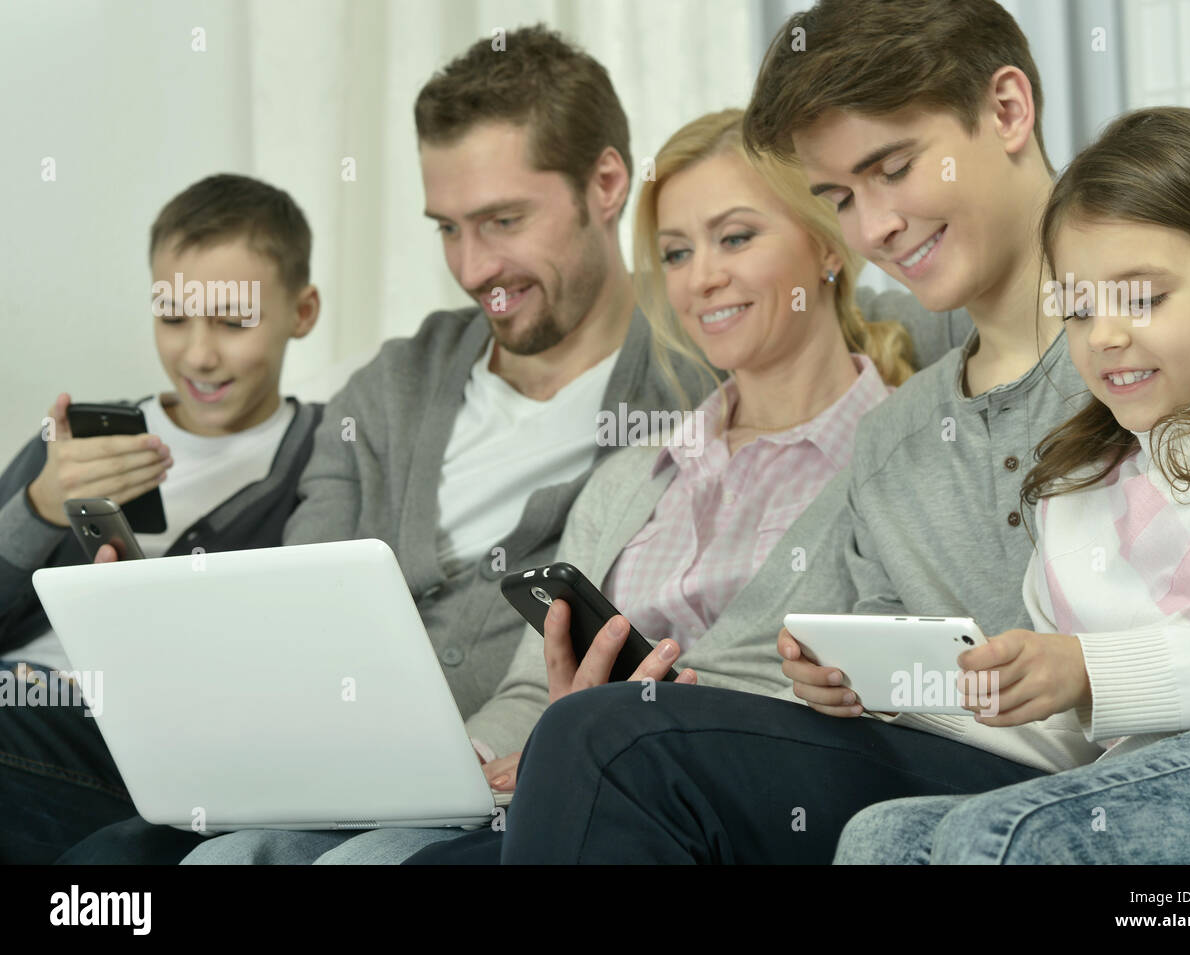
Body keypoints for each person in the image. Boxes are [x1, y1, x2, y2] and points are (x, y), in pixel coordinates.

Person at [53, 26, 958, 865]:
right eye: (448, 229)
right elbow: (318, 602)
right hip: (435, 760)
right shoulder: (585, 457)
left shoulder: (889, 434)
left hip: (650, 782)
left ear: (604, 188)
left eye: (502, 220)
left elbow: (974, 326)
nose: (475, 266)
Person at [410, 0, 1114, 866]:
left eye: (893, 169)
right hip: (897, 757)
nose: (874, 227)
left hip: (1039, 778)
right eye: (841, 197)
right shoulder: (897, 433)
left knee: (611, 743)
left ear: (1008, 110)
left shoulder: (1143, 349)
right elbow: (834, 659)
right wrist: (835, 682)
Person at [834, 107, 1190, 864]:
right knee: (879, 837)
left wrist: (1088, 669)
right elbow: (1069, 732)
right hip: (1129, 789)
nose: (1105, 335)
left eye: (1142, 298)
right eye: (1078, 309)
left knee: (1009, 836)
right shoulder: (1074, 493)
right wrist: (900, 687)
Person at [0, 173, 324, 863]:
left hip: (128, 747)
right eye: (173, 316)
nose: (198, 354)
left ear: (303, 311)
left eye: (234, 321)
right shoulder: (74, 443)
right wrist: (39, 507)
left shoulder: (324, 462)